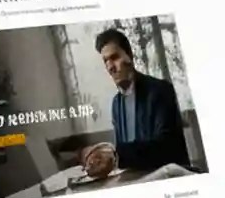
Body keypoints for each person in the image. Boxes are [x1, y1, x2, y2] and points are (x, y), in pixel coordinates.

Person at [81, 28, 191, 177]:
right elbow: (123, 153)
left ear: (129, 56)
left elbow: (167, 150)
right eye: (105, 61)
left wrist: (116, 156)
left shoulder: (160, 90)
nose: (110, 67)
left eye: (114, 57)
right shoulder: (116, 104)